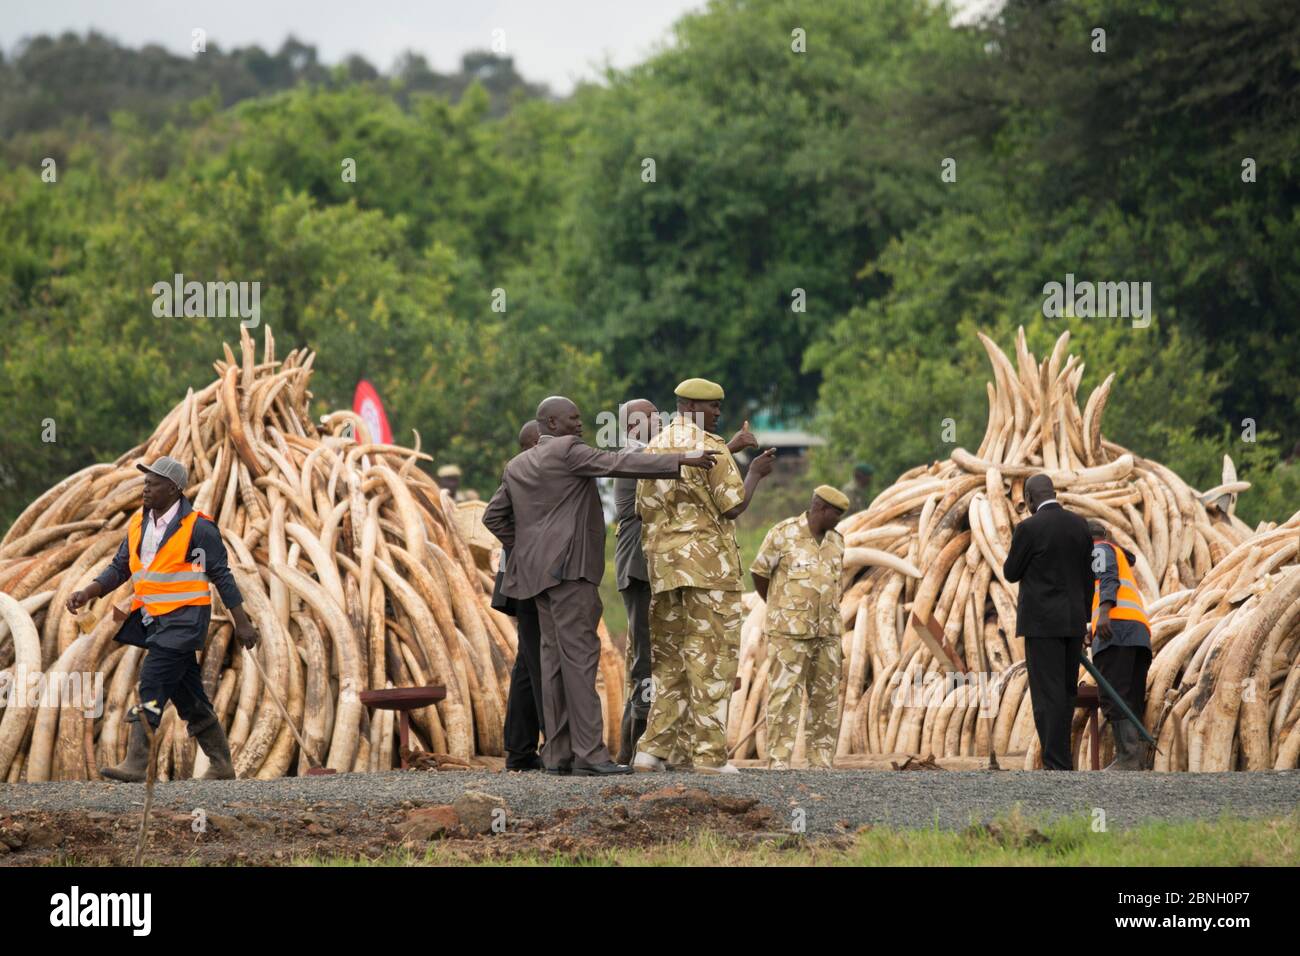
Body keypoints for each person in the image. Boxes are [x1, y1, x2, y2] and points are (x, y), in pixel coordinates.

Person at [482, 395, 718, 776]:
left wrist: (526, 548)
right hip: (570, 575)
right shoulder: (568, 451)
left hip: (535, 579)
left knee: (552, 663)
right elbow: (619, 461)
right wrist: (681, 459)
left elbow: (493, 516)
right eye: (572, 418)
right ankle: (591, 756)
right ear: (552, 424)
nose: (580, 424)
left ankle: (558, 755)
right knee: (580, 662)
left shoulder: (517, 465)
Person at [65, 456, 259, 782]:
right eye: (145, 482)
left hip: (185, 620)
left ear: (173, 488)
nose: (146, 488)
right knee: (189, 696)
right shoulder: (139, 525)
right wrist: (89, 591)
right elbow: (120, 567)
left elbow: (222, 576)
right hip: (154, 620)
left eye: (153, 483)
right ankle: (222, 764)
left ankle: (137, 762)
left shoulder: (198, 527)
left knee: (152, 679)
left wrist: (241, 622)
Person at [633, 377, 776, 774]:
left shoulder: (654, 447)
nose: (718, 415)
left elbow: (642, 508)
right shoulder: (710, 447)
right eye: (714, 408)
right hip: (708, 570)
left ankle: (651, 751)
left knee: (671, 660)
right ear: (694, 407)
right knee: (711, 658)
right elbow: (732, 507)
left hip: (665, 569)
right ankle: (711, 758)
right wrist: (756, 473)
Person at [750, 486, 848, 769]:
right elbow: (759, 574)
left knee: (825, 698)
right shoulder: (783, 534)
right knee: (784, 696)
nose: (839, 519)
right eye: (836, 514)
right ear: (820, 508)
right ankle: (779, 761)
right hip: (789, 633)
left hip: (827, 633)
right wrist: (779, 606)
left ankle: (820, 762)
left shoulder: (837, 542)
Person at [1002, 474, 1094, 770]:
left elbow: (1011, 571)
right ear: (1053, 492)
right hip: (1073, 623)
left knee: (1046, 693)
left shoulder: (1028, 528)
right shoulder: (1079, 525)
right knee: (1067, 691)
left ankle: (1056, 765)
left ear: (1029, 499)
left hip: (1042, 625)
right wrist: (1086, 621)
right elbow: (1088, 577)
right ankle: (1062, 762)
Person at [495, 420, 545, 771]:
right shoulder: (524, 474)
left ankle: (520, 750)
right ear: (534, 443)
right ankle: (551, 743)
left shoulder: (525, 472)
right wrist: (525, 550)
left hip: (518, 575)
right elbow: (495, 519)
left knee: (528, 663)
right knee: (538, 660)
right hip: (524, 578)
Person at [1086, 520, 1153, 771]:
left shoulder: (1099, 549)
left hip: (1116, 630)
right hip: (1137, 632)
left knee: (1113, 693)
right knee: (1130, 695)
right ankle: (1133, 759)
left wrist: (1103, 614)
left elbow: (1107, 578)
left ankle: (1128, 757)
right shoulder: (1117, 554)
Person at [613, 399, 658, 764]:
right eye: (651, 418)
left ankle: (634, 748)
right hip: (640, 567)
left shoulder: (646, 453)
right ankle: (633, 748)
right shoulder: (635, 454)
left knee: (648, 655)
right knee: (644, 658)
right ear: (632, 427)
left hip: (645, 567)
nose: (659, 423)